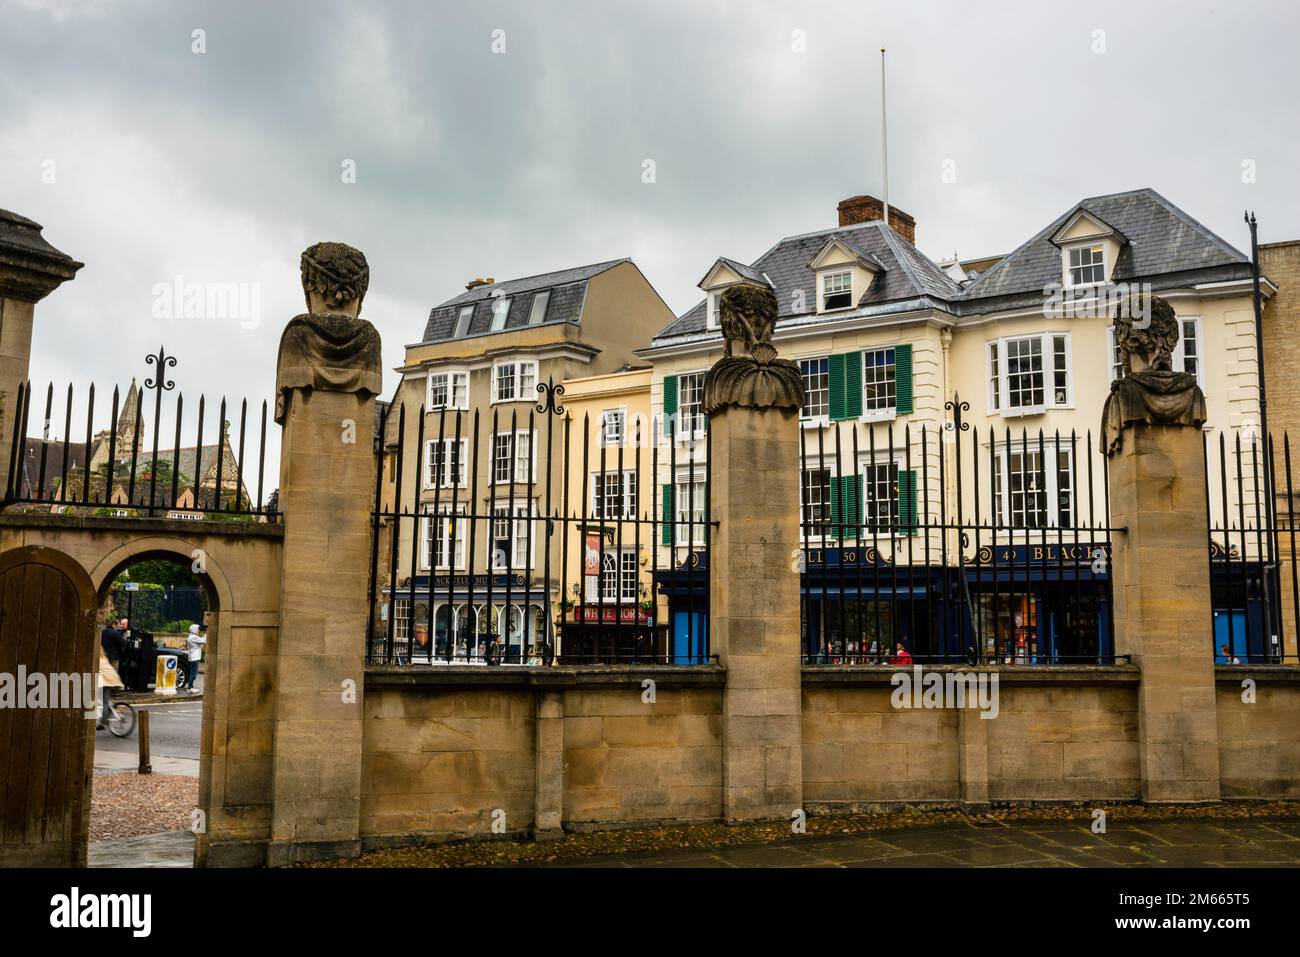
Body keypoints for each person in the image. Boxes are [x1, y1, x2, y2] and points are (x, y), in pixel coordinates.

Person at [96, 647, 125, 731]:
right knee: (107, 700)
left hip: (106, 680)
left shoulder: (96, 659)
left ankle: (102, 723)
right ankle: (107, 717)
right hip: (112, 678)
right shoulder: (103, 657)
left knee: (104, 701)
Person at [185, 623, 207, 693]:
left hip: (193, 657)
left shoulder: (191, 636)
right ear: (194, 629)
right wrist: (206, 635)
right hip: (195, 657)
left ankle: (190, 687)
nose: (198, 630)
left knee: (192, 672)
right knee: (194, 673)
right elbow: (204, 641)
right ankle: (190, 687)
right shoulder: (193, 637)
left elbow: (200, 644)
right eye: (197, 629)